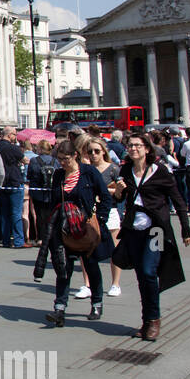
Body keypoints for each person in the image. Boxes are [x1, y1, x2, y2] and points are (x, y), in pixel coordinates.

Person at [113, 133, 190, 342]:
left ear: (147, 149)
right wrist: (119, 193)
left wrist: (186, 228)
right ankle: (146, 320)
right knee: (141, 275)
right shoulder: (126, 171)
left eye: (137, 145)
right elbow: (120, 198)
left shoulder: (160, 171)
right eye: (130, 146)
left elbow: (178, 199)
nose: (133, 149)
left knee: (149, 272)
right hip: (133, 229)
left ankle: (154, 320)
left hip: (156, 229)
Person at [39, 139, 114, 326]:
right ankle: (59, 308)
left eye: (65, 159)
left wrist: (100, 219)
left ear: (75, 156)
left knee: (91, 265)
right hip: (63, 229)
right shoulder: (58, 175)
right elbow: (53, 200)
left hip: (84, 229)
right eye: (59, 159)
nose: (62, 163)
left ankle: (96, 302)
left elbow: (105, 197)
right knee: (63, 268)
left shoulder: (89, 173)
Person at [80, 135, 125, 299]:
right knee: (85, 249)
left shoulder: (113, 168)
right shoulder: (84, 169)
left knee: (114, 248)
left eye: (97, 151)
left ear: (103, 152)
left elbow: (121, 193)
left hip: (110, 210)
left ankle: (115, 283)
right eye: (90, 151)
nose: (93, 154)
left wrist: (111, 191)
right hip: (89, 212)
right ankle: (87, 284)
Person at [0, 127, 27, 250]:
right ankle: (18, 241)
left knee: (5, 214)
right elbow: (25, 159)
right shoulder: (13, 148)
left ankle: (6, 240)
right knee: (16, 213)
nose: (16, 137)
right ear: (10, 135)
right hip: (14, 181)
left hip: (2, 182)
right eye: (15, 134)